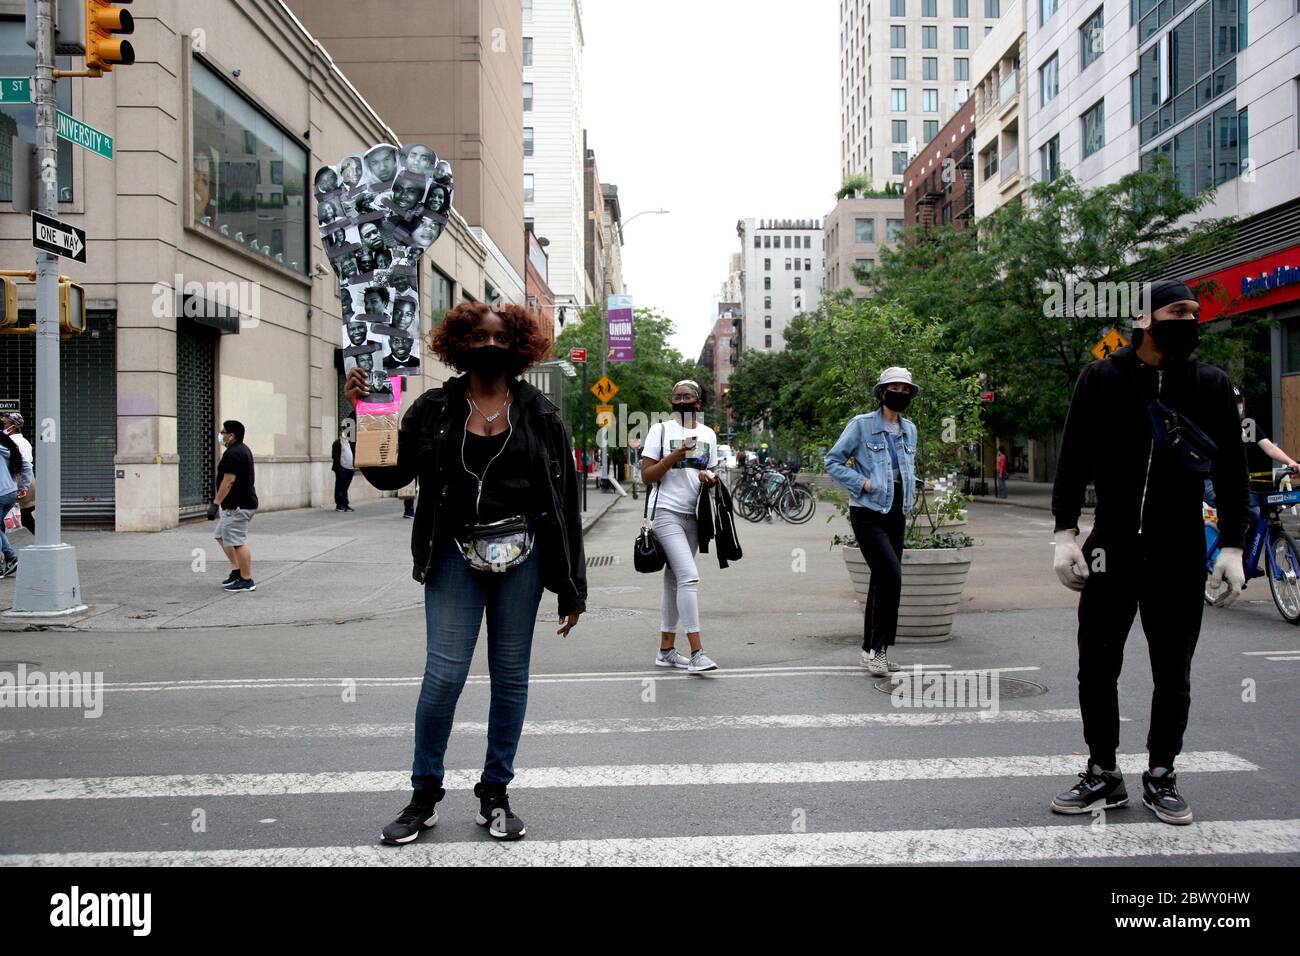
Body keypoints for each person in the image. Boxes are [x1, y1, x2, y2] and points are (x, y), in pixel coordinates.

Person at [348, 301, 585, 845]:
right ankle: (423, 796)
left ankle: (495, 794)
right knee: (444, 675)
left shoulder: (542, 414)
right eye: (480, 336)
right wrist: (367, 411)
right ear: (460, 344)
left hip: (521, 557)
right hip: (453, 553)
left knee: (511, 678)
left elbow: (563, 503)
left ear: (519, 347)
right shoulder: (433, 408)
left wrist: (572, 585)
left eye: (502, 339)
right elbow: (389, 475)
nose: (491, 346)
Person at [1050, 279, 1249, 826]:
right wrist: (1065, 533)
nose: (1188, 319)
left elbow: (1232, 470)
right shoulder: (1102, 378)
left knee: (1174, 671)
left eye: (1194, 311)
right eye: (1175, 310)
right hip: (1110, 547)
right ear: (1144, 319)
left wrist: (1233, 544)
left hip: (1179, 551)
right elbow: (1073, 456)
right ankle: (1103, 773)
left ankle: (1161, 773)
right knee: (1096, 665)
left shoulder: (1210, 385)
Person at [825, 367, 920, 677]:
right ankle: (879, 650)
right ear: (882, 392)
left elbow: (903, 465)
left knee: (880, 580)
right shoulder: (861, 425)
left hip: (897, 510)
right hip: (867, 511)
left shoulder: (911, 429)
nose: (900, 394)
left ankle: (871, 651)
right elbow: (833, 461)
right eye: (895, 388)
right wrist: (863, 484)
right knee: (891, 576)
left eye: (905, 390)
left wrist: (915, 482)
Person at [639, 381, 720, 674]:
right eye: (677, 396)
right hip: (665, 512)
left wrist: (709, 478)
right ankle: (697, 652)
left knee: (674, 581)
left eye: (688, 396)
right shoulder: (660, 430)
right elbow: (647, 476)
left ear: (699, 402)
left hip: (694, 515)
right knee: (689, 577)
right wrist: (675, 455)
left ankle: (666, 650)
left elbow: (710, 470)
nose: (681, 400)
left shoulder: (708, 434)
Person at [209, 420, 259, 593]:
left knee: (238, 542)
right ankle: (237, 570)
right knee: (221, 535)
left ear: (232, 435)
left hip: (239, 506)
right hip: (236, 505)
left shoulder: (234, 453)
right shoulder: (238, 450)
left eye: (223, 432)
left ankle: (246, 580)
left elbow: (228, 480)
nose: (221, 435)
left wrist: (215, 503)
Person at [0, 430, 32, 577]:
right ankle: (9, 558)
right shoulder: (8, 448)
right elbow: (26, 465)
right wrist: (24, 486)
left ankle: (9, 558)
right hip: (11, 493)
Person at [2, 413, 34, 534]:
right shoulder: (23, 441)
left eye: (5, 424)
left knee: (22, 515)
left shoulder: (14, 442)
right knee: (26, 516)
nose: (3, 427)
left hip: (19, 479)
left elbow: (24, 464)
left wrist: (22, 486)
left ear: (13, 426)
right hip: (25, 479)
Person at [331, 424, 355, 513]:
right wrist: (340, 467)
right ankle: (339, 505)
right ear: (340, 433)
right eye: (343, 431)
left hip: (349, 468)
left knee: (345, 488)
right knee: (339, 487)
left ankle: (345, 504)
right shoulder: (337, 443)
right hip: (341, 469)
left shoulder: (348, 443)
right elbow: (335, 456)